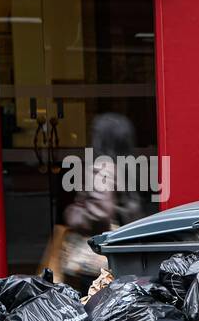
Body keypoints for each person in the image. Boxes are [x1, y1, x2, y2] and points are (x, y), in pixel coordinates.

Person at [61, 113, 145, 285]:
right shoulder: (127, 167)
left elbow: (99, 213)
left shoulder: (102, 168)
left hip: (94, 262)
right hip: (121, 258)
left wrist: (73, 213)